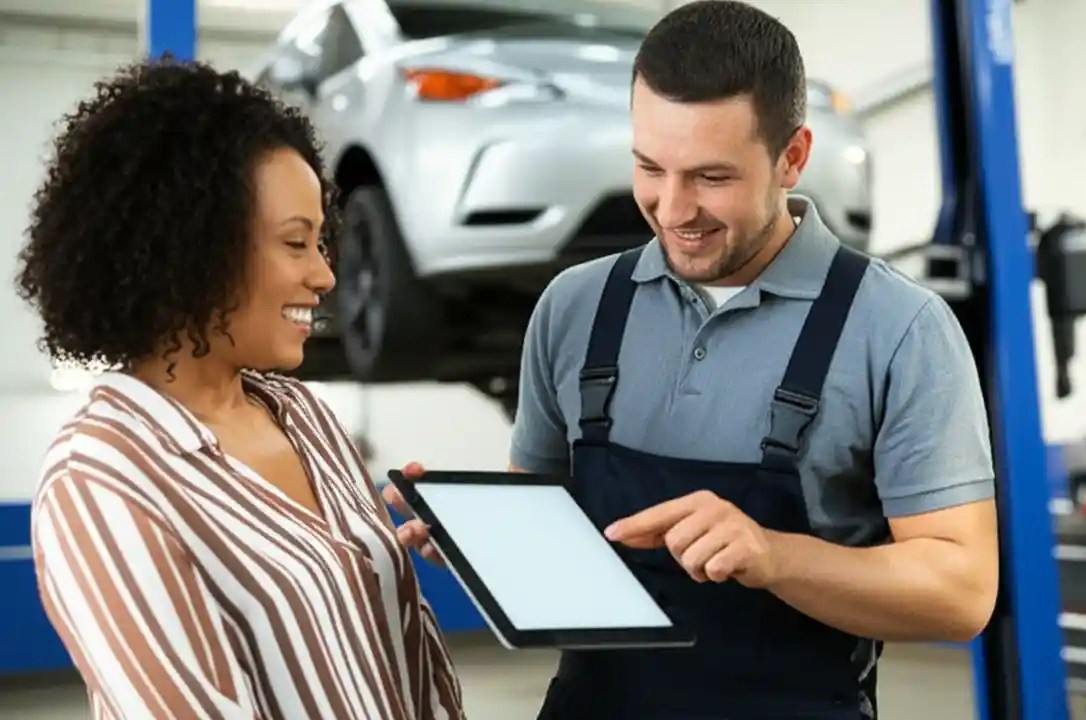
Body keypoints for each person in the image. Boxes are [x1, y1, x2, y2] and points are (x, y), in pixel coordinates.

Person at [387, 1, 999, 718]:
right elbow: (550, 537)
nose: (673, 208)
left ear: (792, 158)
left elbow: (961, 593)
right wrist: (479, 540)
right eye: (650, 166)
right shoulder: (573, 308)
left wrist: (774, 557)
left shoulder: (898, 328)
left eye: (712, 177)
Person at [17, 59, 464, 720]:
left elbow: (414, 667)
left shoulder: (303, 415)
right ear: (190, 249)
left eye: (323, 241)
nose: (325, 276)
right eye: (295, 243)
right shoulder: (100, 482)